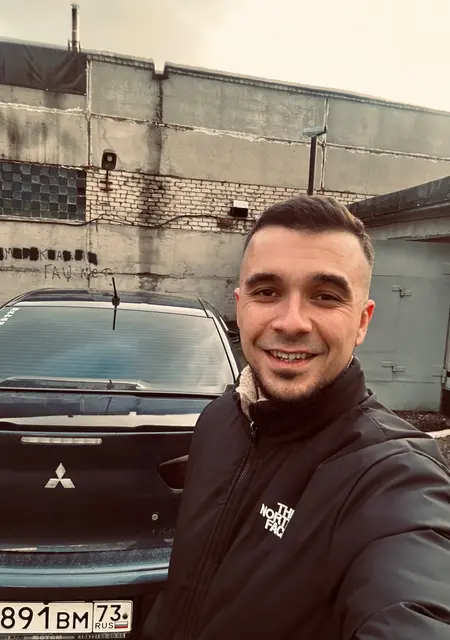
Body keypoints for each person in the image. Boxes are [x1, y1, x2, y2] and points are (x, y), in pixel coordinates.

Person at [152, 195, 450, 640]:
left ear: (362, 321)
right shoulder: (219, 420)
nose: (292, 322)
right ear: (240, 307)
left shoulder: (395, 479)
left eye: (325, 297)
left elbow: (414, 604)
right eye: (267, 292)